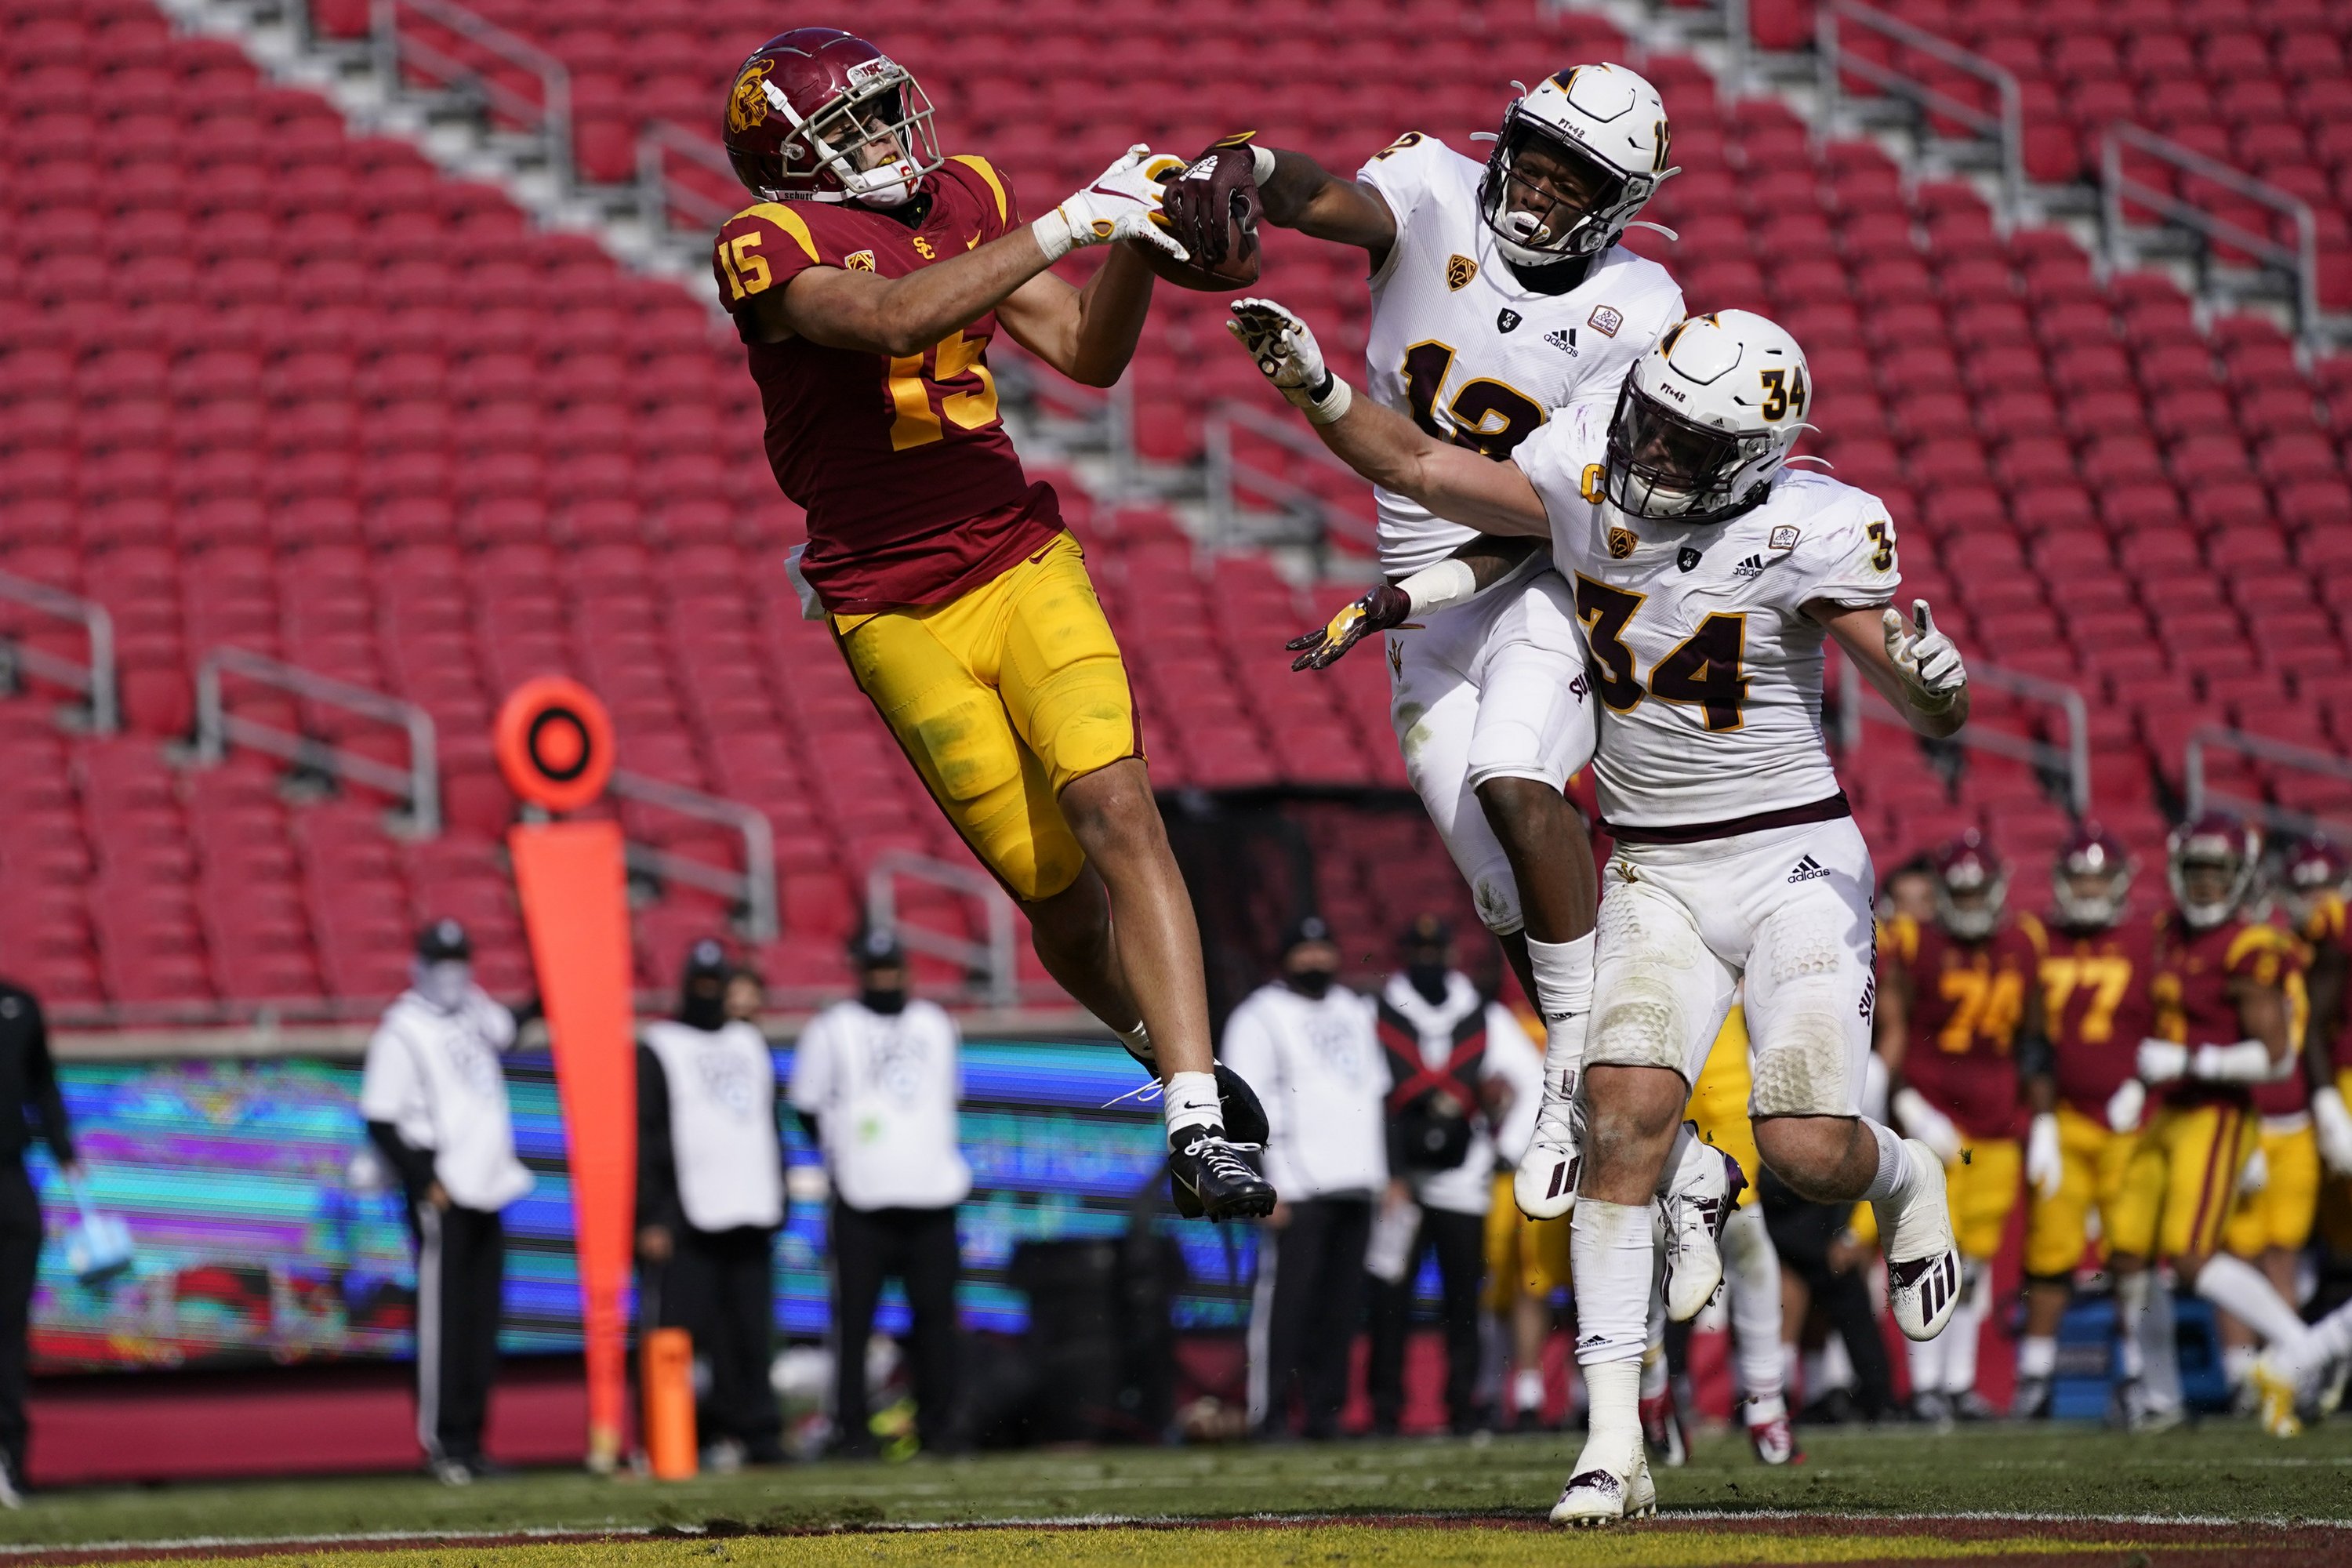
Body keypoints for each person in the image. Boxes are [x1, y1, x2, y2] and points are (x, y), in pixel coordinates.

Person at [1238, 302, 1969, 1523]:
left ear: (1752, 456)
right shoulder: (1591, 467)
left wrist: (1938, 691)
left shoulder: (1815, 524)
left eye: (1690, 441)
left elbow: (1912, 689)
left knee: (1799, 1149)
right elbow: (1422, 465)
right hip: (1653, 866)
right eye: (1657, 422)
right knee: (1620, 1127)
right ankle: (1610, 1444)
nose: (1656, 451)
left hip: (1792, 858)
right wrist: (1315, 383)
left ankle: (1904, 1181)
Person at [713, 27, 1269, 1219]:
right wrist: (1075, 218)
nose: (887, 139)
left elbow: (1086, 351)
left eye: (884, 111)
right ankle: (1162, 1046)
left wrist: (1134, 243)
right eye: (852, 127)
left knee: (1117, 801)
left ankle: (1195, 1117)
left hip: (1017, 555)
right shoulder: (768, 243)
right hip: (887, 605)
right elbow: (891, 321)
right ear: (792, 159)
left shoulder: (968, 193)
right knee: (1056, 895)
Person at [1160, 65, 1685, 1236]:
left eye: (1576, 178)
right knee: (1501, 887)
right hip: (1427, 603)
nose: (1541, 188)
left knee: (1516, 779)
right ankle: (1648, 1117)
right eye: (1537, 156)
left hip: (1543, 575)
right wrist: (1245, 164)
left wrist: (1400, 559)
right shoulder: (1438, 190)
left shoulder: (1642, 306)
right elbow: (1328, 200)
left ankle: (1568, 1086)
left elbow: (1538, 513)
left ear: (1622, 202)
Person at [2104, 813, 2318, 1437]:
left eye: (2215, 870)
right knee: (2125, 1252)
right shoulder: (2171, 933)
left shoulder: (2250, 947)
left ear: (2241, 875)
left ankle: (2307, 1349)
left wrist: (2193, 1062)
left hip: (2218, 1114)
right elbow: (2166, 1032)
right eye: (2194, 869)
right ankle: (2162, 1393)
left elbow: (2276, 1056)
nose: (2202, 883)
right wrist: (2139, 1082)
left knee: (2193, 1257)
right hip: (2171, 1109)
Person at [1875, 832, 2048, 1422]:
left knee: (1971, 1261)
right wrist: (1913, 1106)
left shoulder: (2021, 946)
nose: (1971, 903)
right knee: (1925, 1248)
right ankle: (1925, 1386)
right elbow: (1890, 1029)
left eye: (1979, 892)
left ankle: (1956, 1383)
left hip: (1994, 1127)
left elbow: (2033, 1038)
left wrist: (2042, 1117)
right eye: (1961, 892)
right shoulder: (1915, 943)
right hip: (1935, 1116)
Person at [358, 919, 535, 1484]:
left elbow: (514, 1026)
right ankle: (442, 1443)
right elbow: (380, 1117)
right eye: (441, 960)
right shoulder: (402, 1030)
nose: (452, 971)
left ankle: (473, 1439)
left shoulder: (475, 1010)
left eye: (460, 959)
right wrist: (422, 1177)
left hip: (490, 1182)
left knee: (481, 1321)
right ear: (420, 964)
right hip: (443, 1187)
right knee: (444, 1322)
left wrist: (555, 984)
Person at [790, 930, 969, 1457]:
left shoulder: (936, 1024)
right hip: (861, 1200)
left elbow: (946, 1097)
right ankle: (852, 1429)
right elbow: (807, 1104)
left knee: (937, 1321)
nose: (885, 980)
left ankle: (941, 1425)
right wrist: (844, 1153)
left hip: (933, 1195)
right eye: (875, 970)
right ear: (860, 972)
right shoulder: (832, 1027)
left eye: (892, 969)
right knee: (853, 1323)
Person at [1366, 914, 1538, 1436]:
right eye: (1416, 952)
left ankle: (1464, 1403)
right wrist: (1386, 1174)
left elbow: (1529, 1081)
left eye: (1434, 951)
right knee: (1389, 1302)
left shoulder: (1484, 1016)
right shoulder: (1376, 1014)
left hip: (1465, 1181)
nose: (1427, 962)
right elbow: (1367, 1094)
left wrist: (1501, 1150)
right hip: (1402, 1185)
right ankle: (1385, 1410)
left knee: (1464, 1302)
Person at [2015, 826, 2163, 1421]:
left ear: (2121, 882)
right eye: (2079, 876)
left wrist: (2146, 1082)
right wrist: (2044, 1118)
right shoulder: (2037, 940)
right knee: (2050, 1252)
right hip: (2067, 1120)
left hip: (2132, 1122)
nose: (2088, 888)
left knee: (2130, 1252)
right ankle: (2034, 1377)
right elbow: (2028, 1035)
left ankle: (2136, 1376)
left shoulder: (2148, 940)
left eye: (2098, 877)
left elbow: (2176, 1019)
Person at [1219, 917, 1387, 1440]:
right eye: (1304, 951)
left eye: (1323, 950)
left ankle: (1324, 1411)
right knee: (1286, 1305)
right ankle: (1267, 1413)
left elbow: (1374, 1091)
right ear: (1284, 958)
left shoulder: (1353, 1009)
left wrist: (1389, 1175)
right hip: (1293, 1185)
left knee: (1340, 1308)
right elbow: (1241, 1107)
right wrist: (1260, 1184)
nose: (1315, 960)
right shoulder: (1259, 1016)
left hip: (1357, 1179)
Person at [637, 939, 788, 1468]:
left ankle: (757, 1432)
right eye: (701, 987)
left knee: (749, 1334)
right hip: (686, 1213)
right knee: (679, 1333)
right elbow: (647, 1135)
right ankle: (674, 1437)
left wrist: (781, 1194)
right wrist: (652, 1215)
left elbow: (768, 1124)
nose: (710, 996)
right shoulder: (661, 1044)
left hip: (750, 1204)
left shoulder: (749, 1042)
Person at [0, 978, 76, 1505]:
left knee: (8, 1327)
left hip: (9, 1178)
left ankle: (9, 1462)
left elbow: (42, 1082)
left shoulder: (19, 1005)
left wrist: (65, 1149)